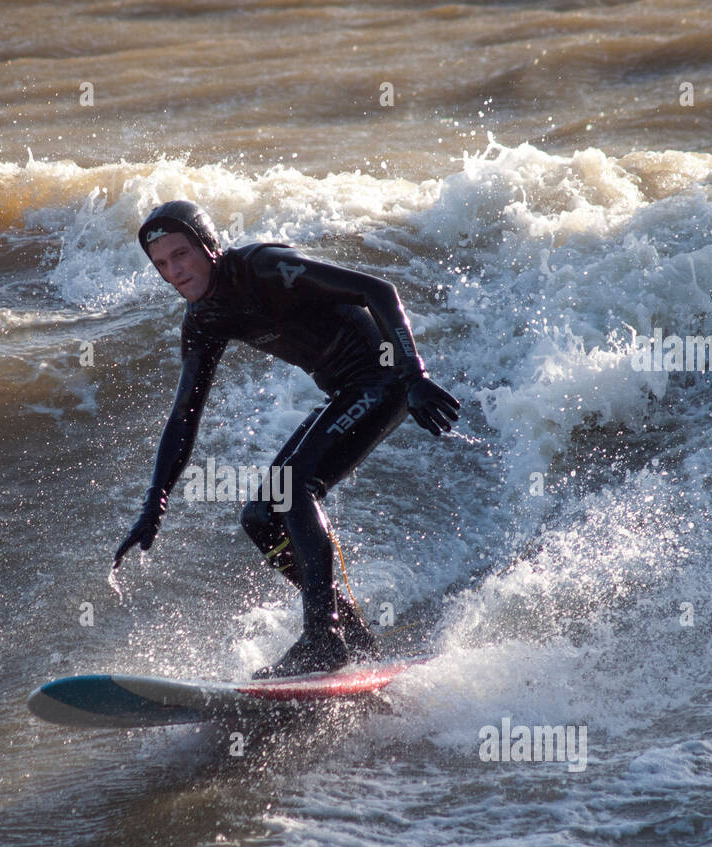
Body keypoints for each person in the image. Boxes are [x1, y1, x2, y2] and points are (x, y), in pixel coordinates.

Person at [112, 200, 461, 678]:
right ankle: (351, 637)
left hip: (383, 378)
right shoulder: (204, 319)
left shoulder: (266, 268)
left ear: (208, 246)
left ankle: (323, 635)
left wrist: (414, 373)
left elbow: (377, 291)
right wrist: (155, 503)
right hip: (347, 391)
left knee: (293, 487)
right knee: (259, 517)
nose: (174, 271)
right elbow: (184, 415)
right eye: (162, 265)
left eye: (182, 255)